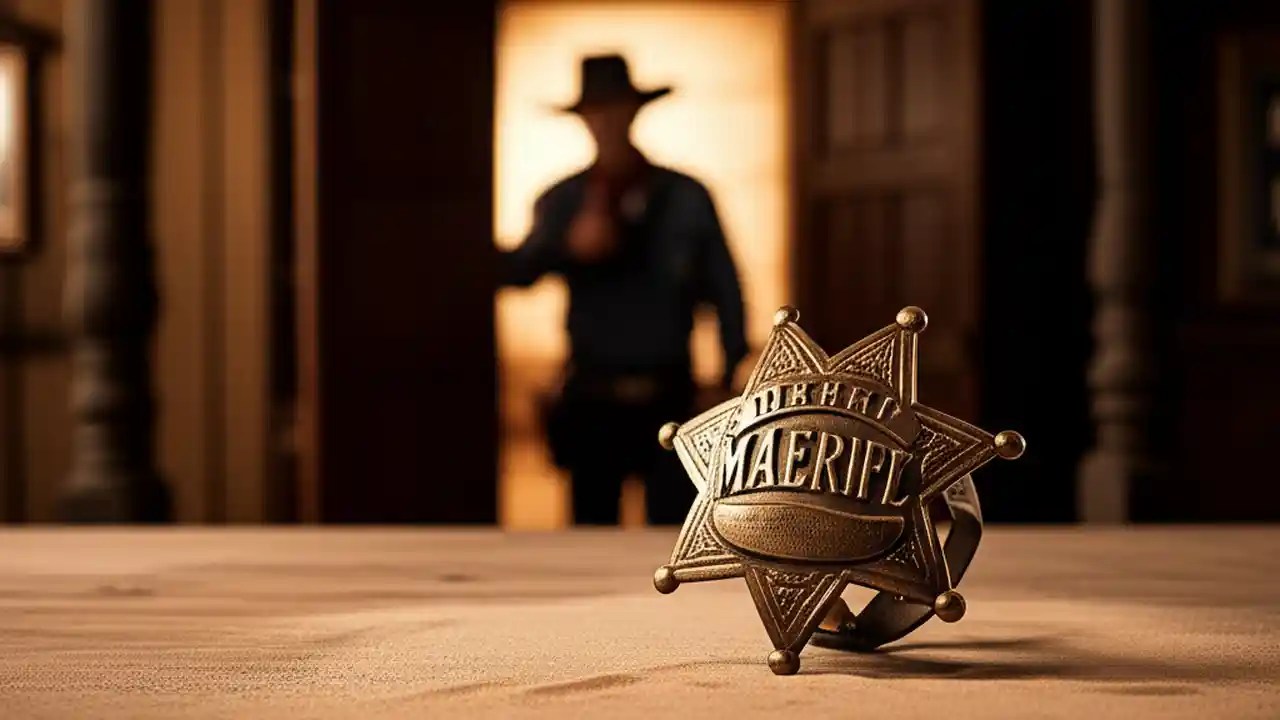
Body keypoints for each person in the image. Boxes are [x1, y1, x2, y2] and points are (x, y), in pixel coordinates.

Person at [499, 54, 747, 526]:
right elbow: (518, 273)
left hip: (670, 394)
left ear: (634, 112)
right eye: (597, 111)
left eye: (616, 108)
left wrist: (728, 375)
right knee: (591, 536)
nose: (607, 122)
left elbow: (726, 288)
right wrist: (565, 246)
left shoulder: (686, 197)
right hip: (592, 395)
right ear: (584, 119)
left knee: (674, 536)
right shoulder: (563, 200)